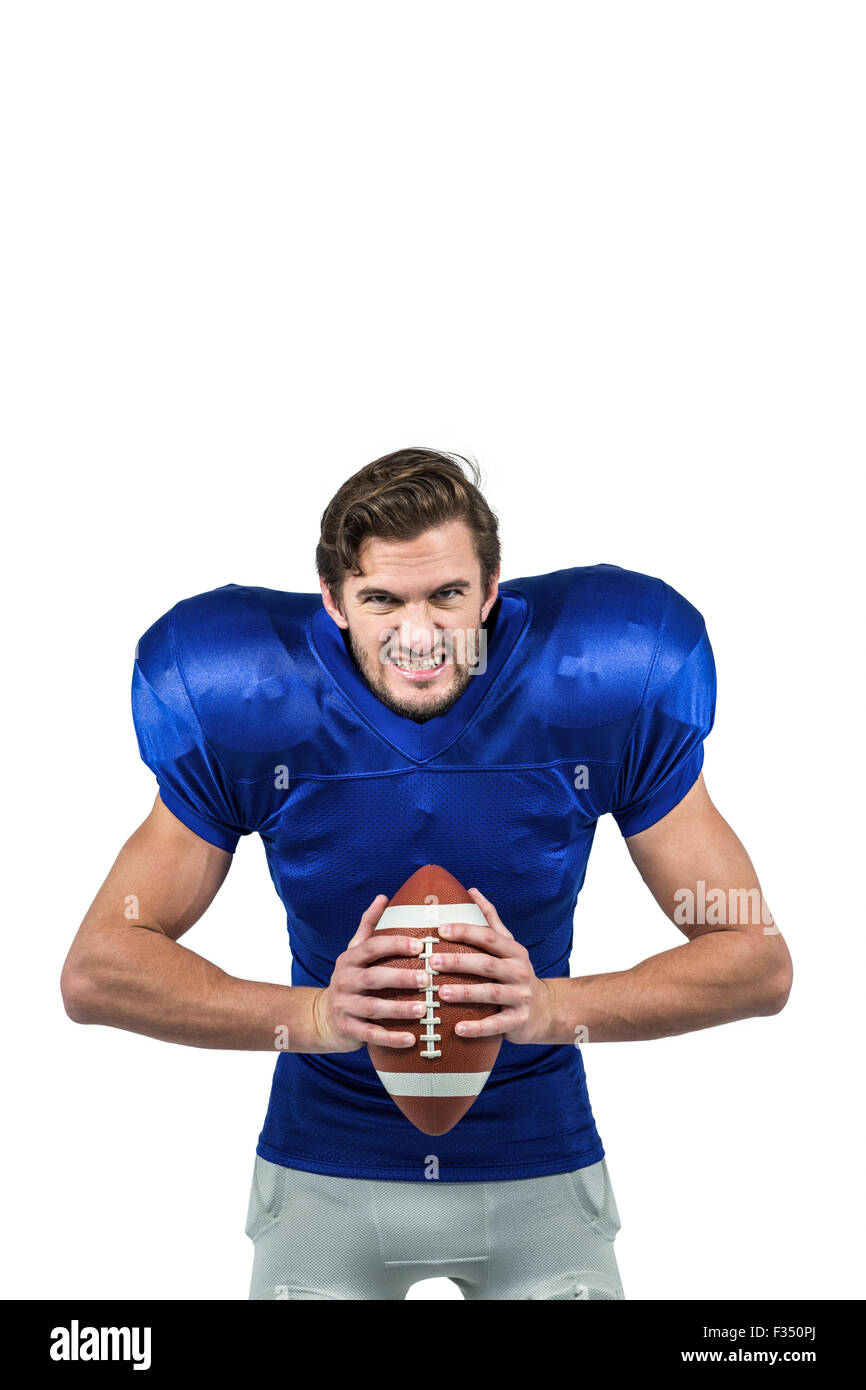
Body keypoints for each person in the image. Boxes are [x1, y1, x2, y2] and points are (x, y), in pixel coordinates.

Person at [61, 447, 792, 1300]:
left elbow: (755, 959)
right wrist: (314, 1015)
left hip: (538, 1167)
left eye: (447, 596)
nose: (418, 635)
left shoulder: (600, 678)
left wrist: (555, 1005)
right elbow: (100, 969)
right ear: (333, 603)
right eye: (382, 600)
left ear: (490, 592)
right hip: (326, 1168)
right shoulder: (251, 697)